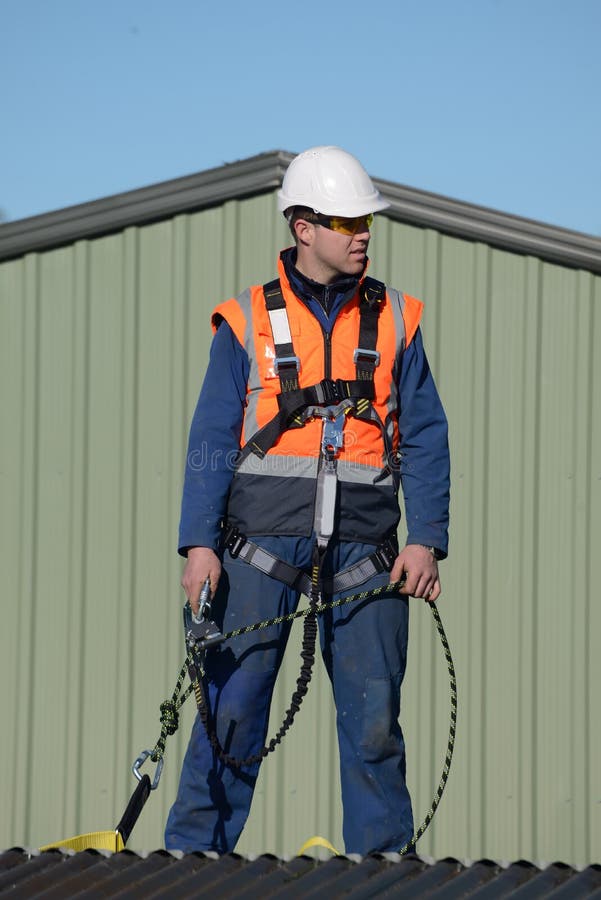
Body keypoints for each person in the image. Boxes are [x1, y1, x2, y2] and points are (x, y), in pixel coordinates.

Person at [165, 146, 450, 856]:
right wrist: (199, 545)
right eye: (345, 221)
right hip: (254, 553)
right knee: (228, 717)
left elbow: (424, 435)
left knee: (374, 723)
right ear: (302, 226)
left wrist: (427, 538)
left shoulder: (396, 320)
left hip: (369, 557)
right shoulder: (246, 321)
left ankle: (382, 867)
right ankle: (193, 865)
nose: (361, 234)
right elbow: (209, 441)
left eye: (365, 222)